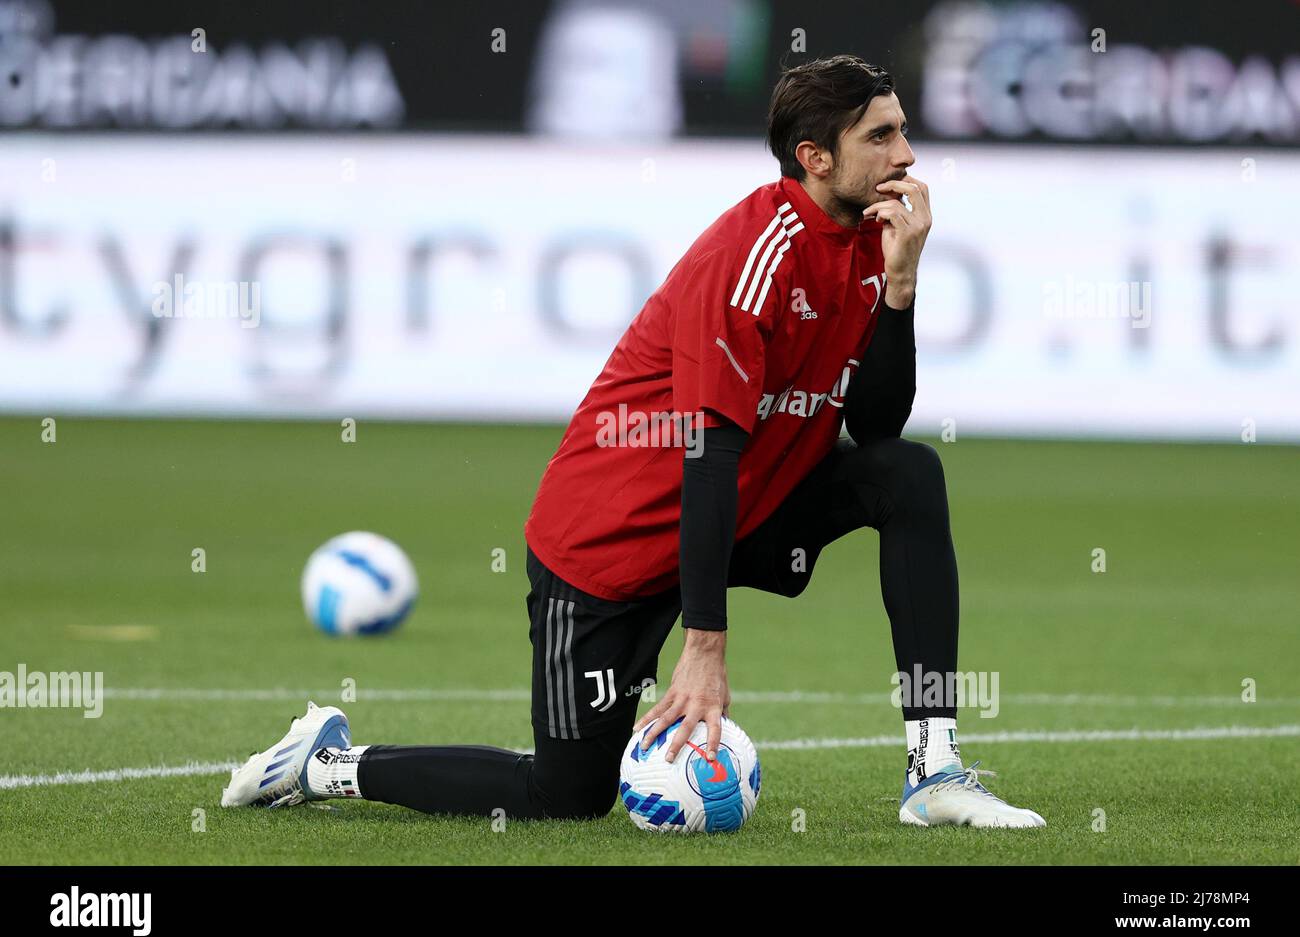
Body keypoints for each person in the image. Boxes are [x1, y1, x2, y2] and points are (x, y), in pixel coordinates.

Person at [222, 54, 1045, 829]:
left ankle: (933, 770)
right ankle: (327, 763)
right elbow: (706, 454)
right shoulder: (754, 260)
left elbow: (875, 427)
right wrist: (704, 648)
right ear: (815, 158)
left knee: (906, 474)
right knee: (564, 795)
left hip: (744, 510)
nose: (908, 152)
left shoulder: (875, 240)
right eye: (882, 135)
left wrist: (901, 286)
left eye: (902, 129)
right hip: (609, 545)